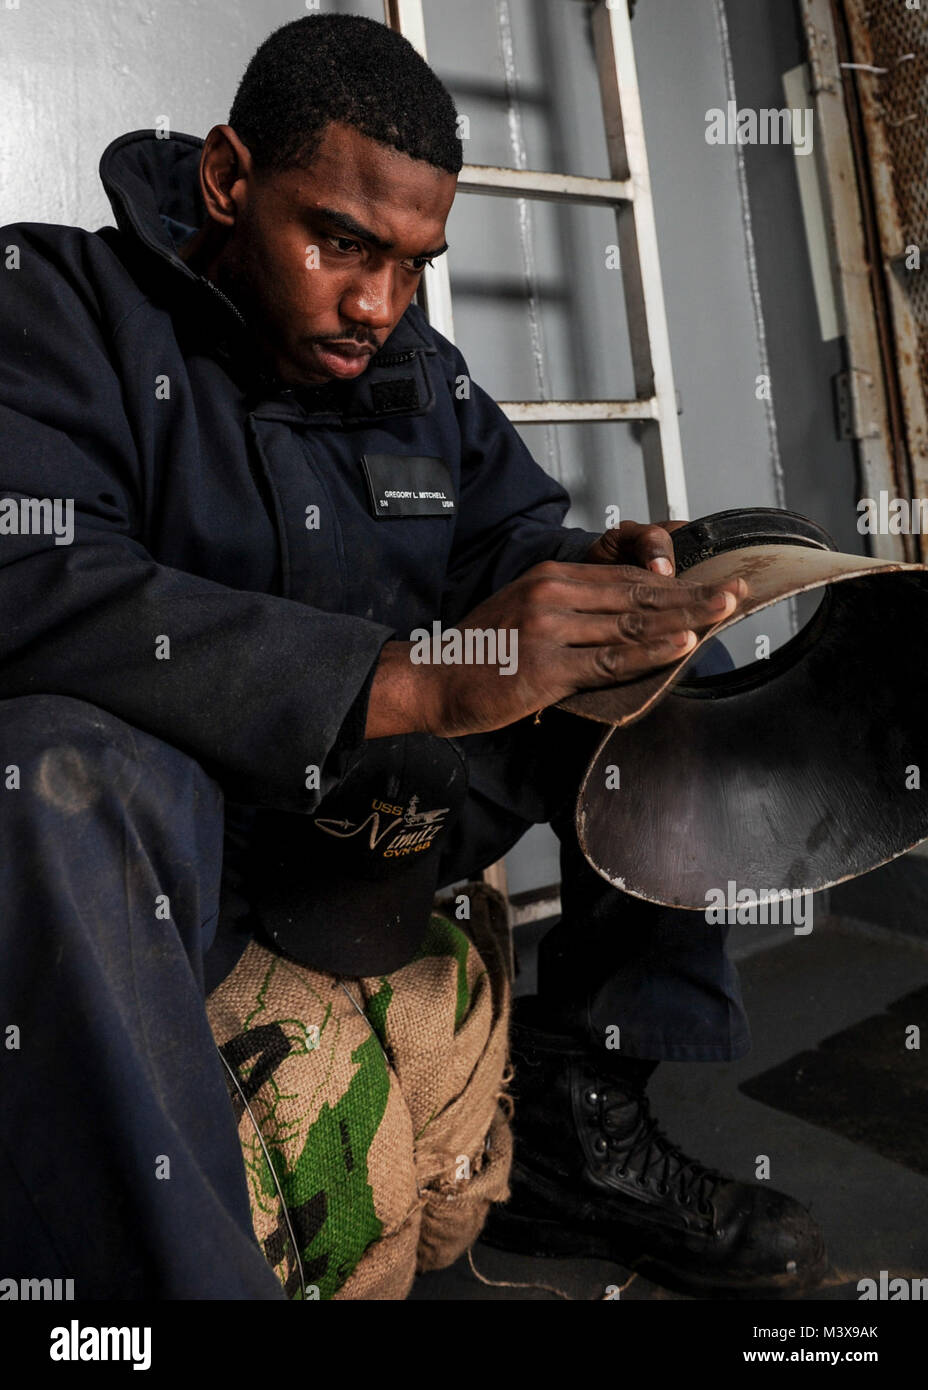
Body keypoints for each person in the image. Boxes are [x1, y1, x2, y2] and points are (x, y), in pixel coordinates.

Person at [0, 13, 824, 1299]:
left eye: (412, 265)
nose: (376, 305)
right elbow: (31, 579)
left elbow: (510, 538)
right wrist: (412, 677)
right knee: (54, 766)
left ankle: (575, 1117)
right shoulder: (54, 307)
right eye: (338, 242)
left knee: (661, 675)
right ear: (228, 180)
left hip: (378, 821)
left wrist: (604, 582)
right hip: (193, 842)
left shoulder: (414, 371)